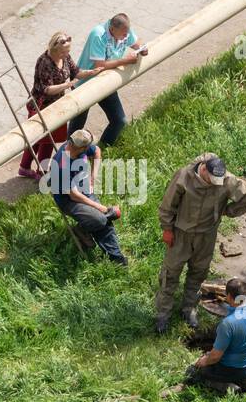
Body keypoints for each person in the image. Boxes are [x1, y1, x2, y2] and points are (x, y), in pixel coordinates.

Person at [156, 152, 246, 333]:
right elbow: (168, 205)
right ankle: (163, 314)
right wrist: (167, 229)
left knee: (198, 273)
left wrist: (228, 211)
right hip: (181, 235)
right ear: (204, 170)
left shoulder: (225, 179)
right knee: (170, 274)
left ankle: (189, 309)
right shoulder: (184, 176)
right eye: (212, 179)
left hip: (207, 236)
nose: (215, 183)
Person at [47, 128, 127, 265]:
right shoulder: (62, 165)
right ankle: (82, 228)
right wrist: (100, 207)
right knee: (100, 220)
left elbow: (96, 151)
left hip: (83, 189)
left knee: (103, 222)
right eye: (88, 146)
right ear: (82, 147)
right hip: (68, 200)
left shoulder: (78, 146)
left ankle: (117, 260)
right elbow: (74, 196)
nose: (90, 148)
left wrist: (93, 177)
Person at [67, 13, 148, 148]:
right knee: (77, 127)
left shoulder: (124, 30)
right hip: (85, 84)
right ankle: (67, 157)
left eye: (127, 33)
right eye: (123, 34)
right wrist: (125, 60)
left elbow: (136, 42)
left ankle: (101, 150)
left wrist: (142, 48)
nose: (125, 37)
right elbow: (99, 65)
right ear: (112, 28)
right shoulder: (98, 35)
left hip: (105, 83)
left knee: (119, 121)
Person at [18, 31, 80, 180]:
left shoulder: (65, 57)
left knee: (40, 138)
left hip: (56, 104)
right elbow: (47, 89)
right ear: (55, 49)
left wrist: (92, 72)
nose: (66, 55)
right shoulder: (44, 62)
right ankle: (40, 172)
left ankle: (26, 167)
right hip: (41, 105)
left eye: (68, 52)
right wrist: (67, 85)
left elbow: (75, 71)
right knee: (44, 139)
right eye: (64, 52)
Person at [186, 278, 246, 394]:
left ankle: (228, 387)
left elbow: (215, 357)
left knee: (193, 373)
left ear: (229, 296)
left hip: (231, 369)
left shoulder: (227, 324)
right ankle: (244, 379)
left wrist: (203, 361)